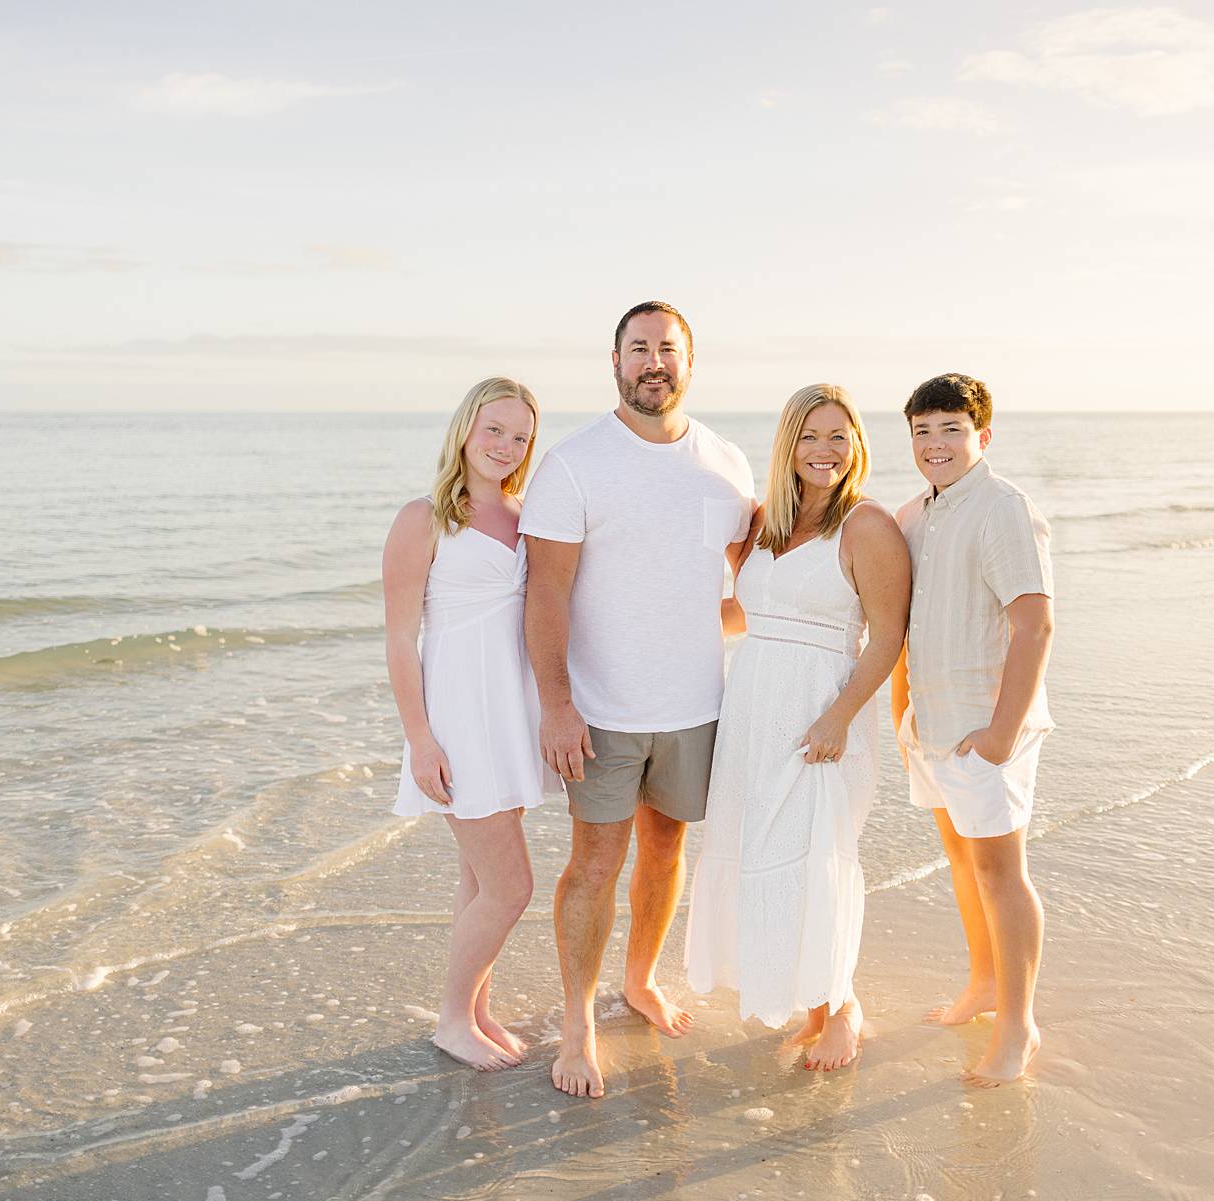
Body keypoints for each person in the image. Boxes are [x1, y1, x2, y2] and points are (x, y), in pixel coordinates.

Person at [520, 301, 756, 1099]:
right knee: (594, 862)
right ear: (615, 361)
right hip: (602, 708)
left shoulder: (725, 460)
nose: (654, 361)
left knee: (665, 850)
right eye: (639, 348)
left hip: (696, 702)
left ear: (689, 362)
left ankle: (641, 979)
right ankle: (578, 1018)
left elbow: (752, 579)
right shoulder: (576, 463)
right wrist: (556, 702)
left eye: (668, 348)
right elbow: (545, 593)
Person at [685, 384, 910, 1071]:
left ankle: (841, 1005)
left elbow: (888, 636)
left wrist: (838, 718)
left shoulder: (867, 525)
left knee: (817, 852)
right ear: (788, 444)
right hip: (753, 709)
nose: (825, 450)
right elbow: (752, 612)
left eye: (839, 436)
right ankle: (809, 1000)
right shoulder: (761, 525)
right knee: (760, 846)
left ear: (857, 446)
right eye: (811, 436)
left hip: (822, 713)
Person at [890, 373, 1055, 1088]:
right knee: (963, 862)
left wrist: (999, 734)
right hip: (932, 724)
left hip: (985, 730)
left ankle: (1019, 1025)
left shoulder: (1002, 508)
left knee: (1000, 870)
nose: (936, 444)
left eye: (951, 428)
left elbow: (1034, 623)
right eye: (923, 431)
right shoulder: (916, 516)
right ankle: (984, 984)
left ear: (981, 435)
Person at [383, 377, 553, 1072]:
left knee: (481, 880)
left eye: (520, 435)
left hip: (509, 718)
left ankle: (475, 1008)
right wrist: (421, 739)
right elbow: (399, 638)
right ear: (465, 429)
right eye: (494, 429)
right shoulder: (423, 518)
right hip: (456, 722)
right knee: (512, 886)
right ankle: (451, 1019)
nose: (506, 446)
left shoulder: (527, 513)